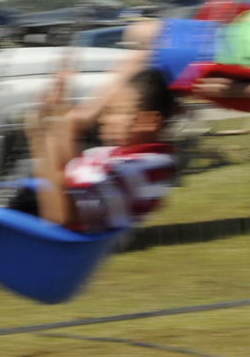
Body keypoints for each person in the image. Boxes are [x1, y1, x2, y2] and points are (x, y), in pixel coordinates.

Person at [20, 30, 180, 233]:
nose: (104, 119)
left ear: (148, 121)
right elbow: (70, 170)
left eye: (117, 111)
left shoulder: (135, 169)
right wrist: (60, 116)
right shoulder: (129, 158)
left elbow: (62, 216)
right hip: (33, 208)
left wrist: (40, 140)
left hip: (31, 231)